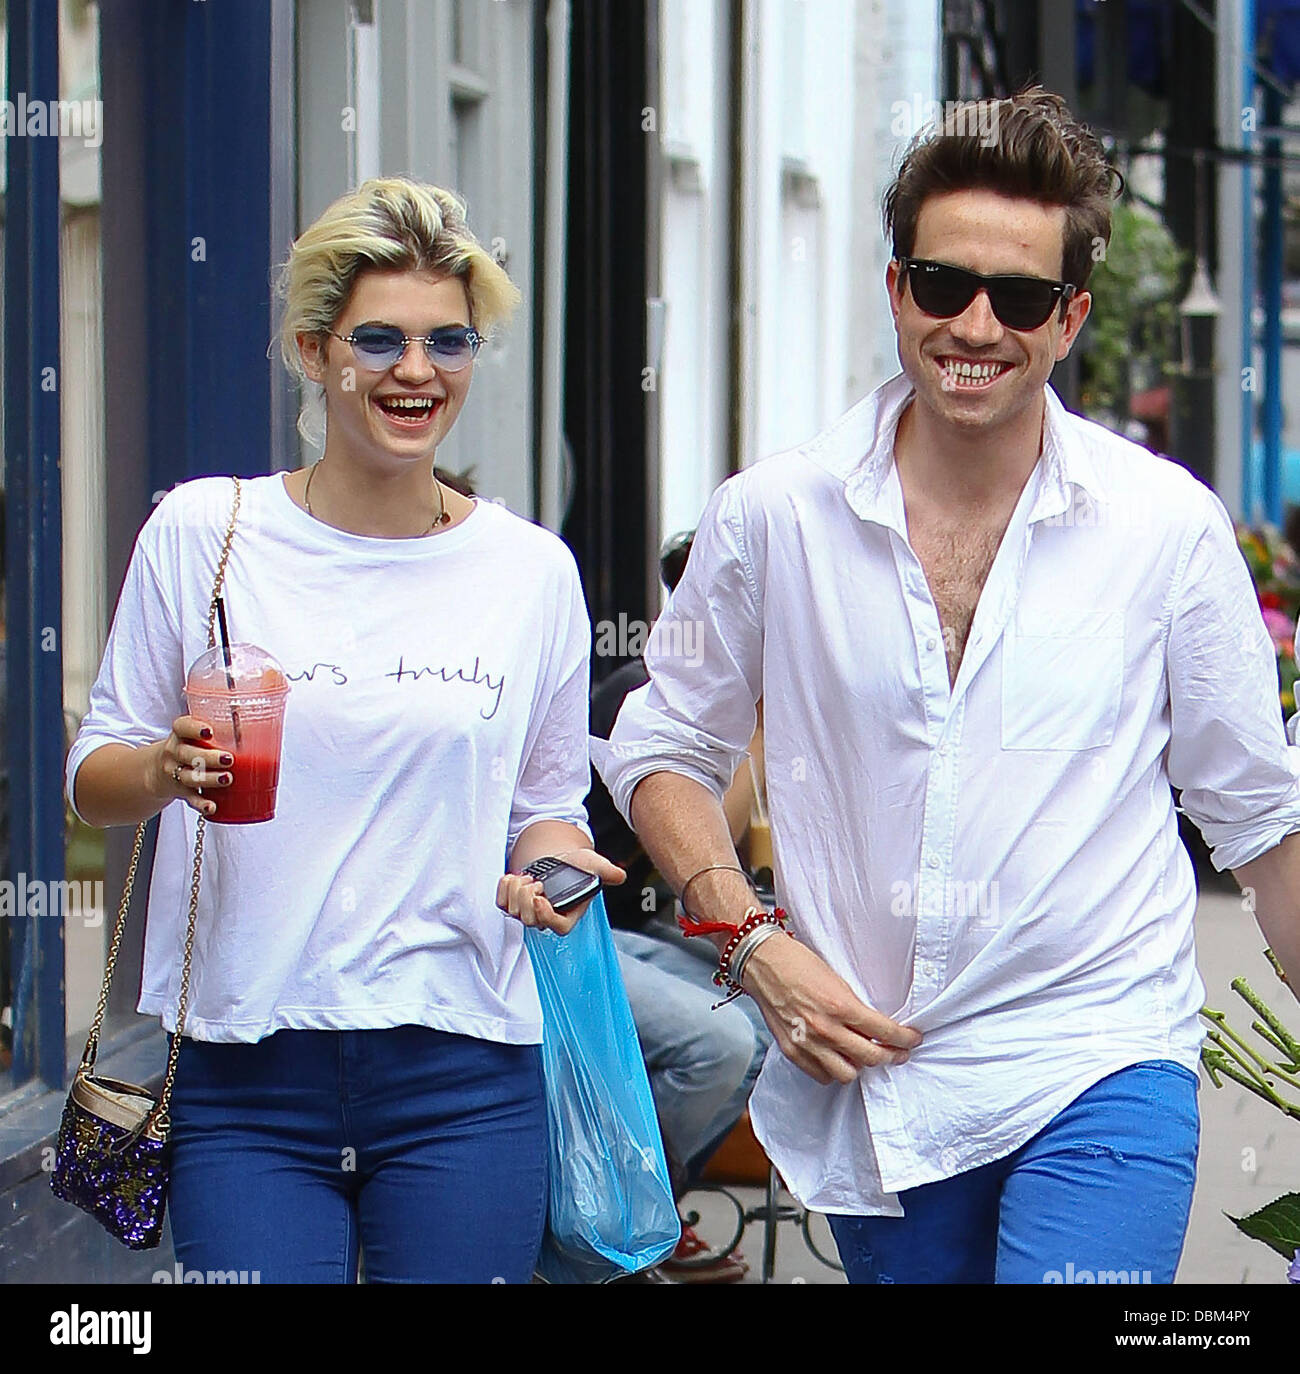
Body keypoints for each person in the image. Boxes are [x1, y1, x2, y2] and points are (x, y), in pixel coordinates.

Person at [595, 86, 1300, 1285]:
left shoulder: (1164, 529)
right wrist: (755, 944)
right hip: (883, 1080)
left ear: (1068, 318)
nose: (975, 324)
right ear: (894, 289)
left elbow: (1257, 815)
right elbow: (663, 745)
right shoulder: (775, 516)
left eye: (1018, 297)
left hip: (1101, 1052)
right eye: (943, 285)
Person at [65, 177, 623, 1284]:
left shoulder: (528, 572)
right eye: (379, 339)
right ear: (318, 353)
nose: (415, 371)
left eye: (447, 340)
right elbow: (93, 778)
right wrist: (168, 771)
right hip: (244, 1069)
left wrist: (552, 882)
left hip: (463, 1069)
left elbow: (546, 813)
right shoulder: (204, 532)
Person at [589, 532, 772, 1282]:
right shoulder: (646, 688)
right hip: (550, 932)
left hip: (619, 925)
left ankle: (654, 1215)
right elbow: (700, 847)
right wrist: (758, 727)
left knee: (760, 1024)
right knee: (722, 1045)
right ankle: (615, 1219)